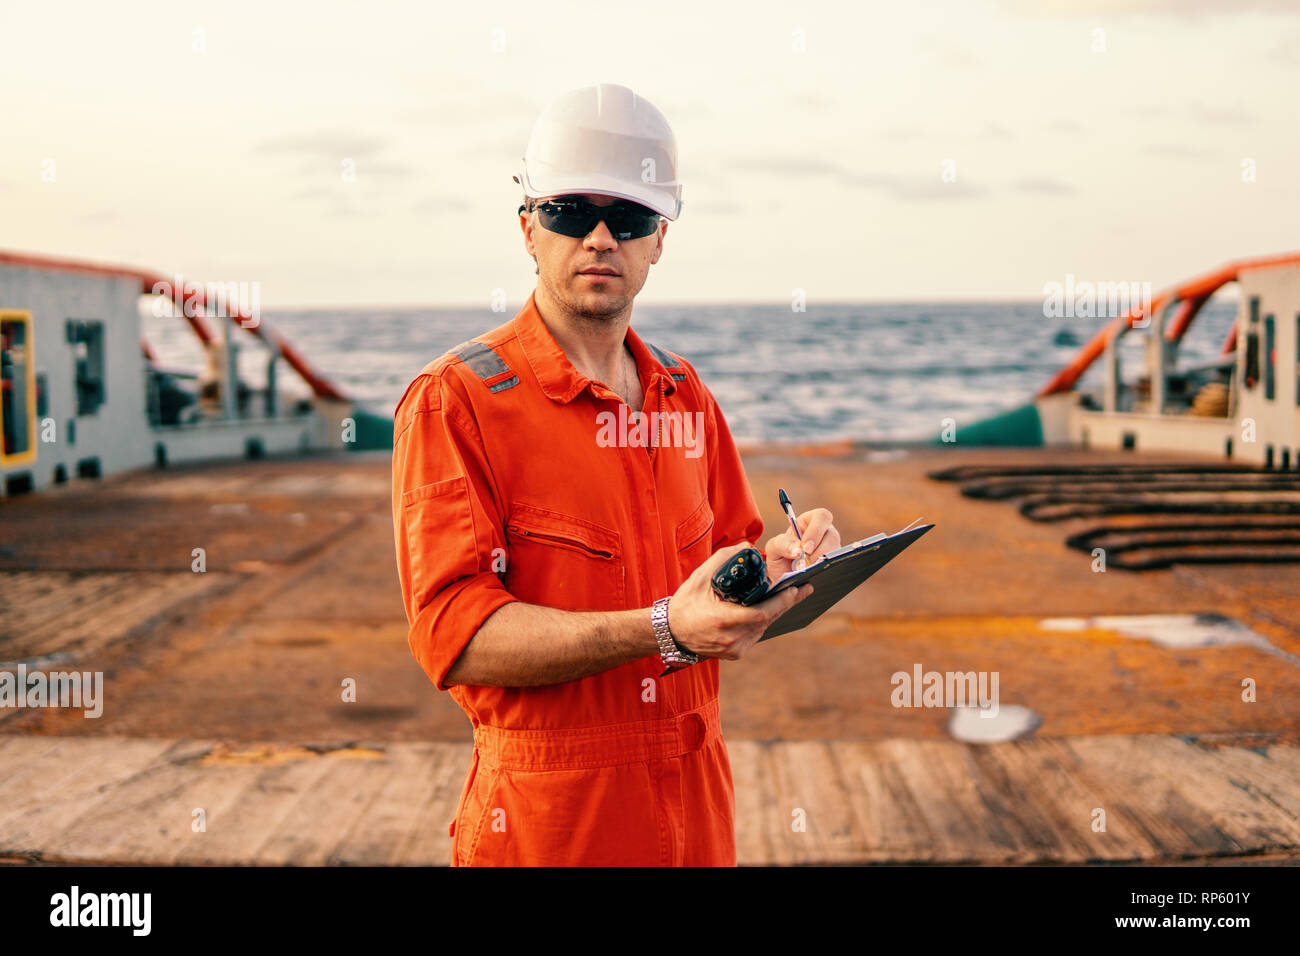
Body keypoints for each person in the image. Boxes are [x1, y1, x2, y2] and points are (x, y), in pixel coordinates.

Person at [392, 83, 840, 866]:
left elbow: (724, 572)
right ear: (528, 228)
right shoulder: (456, 401)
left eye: (627, 219)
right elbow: (453, 639)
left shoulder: (685, 393)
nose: (600, 238)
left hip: (696, 810)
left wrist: (775, 566)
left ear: (658, 240)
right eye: (571, 213)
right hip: (548, 824)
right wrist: (663, 628)